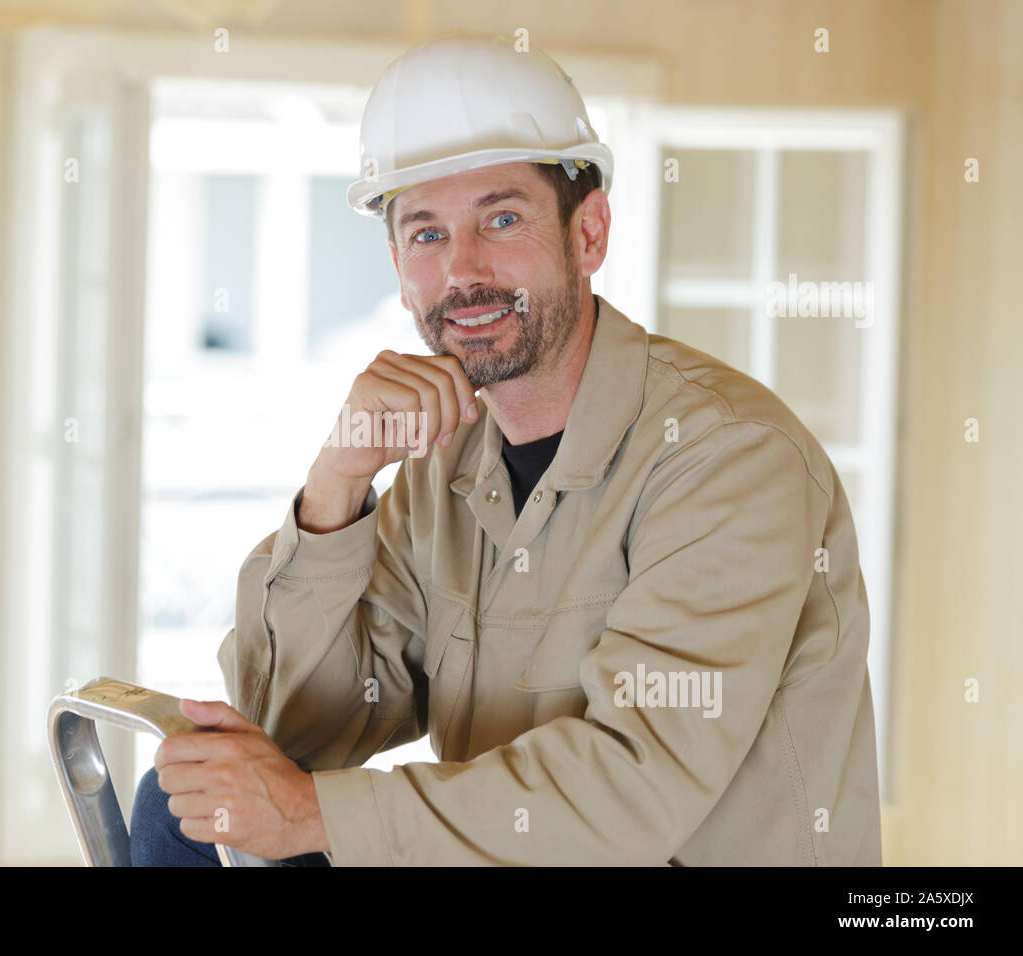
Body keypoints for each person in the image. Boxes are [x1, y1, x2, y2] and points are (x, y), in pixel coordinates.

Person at [132, 28, 882, 866]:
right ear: (396, 261)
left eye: (501, 217)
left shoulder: (731, 459)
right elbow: (304, 732)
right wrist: (334, 486)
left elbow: (634, 789)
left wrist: (313, 818)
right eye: (426, 234)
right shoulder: (444, 463)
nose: (462, 271)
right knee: (184, 797)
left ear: (588, 233)